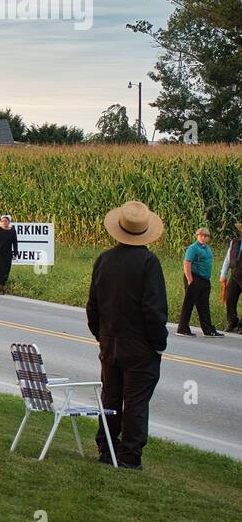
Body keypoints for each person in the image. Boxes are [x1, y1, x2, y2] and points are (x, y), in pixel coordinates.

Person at [86, 200, 169, 469]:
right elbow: (153, 309)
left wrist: (102, 335)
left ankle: (106, 449)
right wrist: (158, 344)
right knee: (135, 401)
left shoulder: (104, 260)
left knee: (111, 397)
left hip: (111, 342)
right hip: (139, 346)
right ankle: (130, 456)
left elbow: (92, 305)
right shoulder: (148, 262)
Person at [177, 227, 221, 337]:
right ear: (197, 236)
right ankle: (182, 329)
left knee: (204, 305)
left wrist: (208, 278)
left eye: (206, 236)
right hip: (194, 278)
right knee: (189, 304)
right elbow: (187, 263)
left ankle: (208, 330)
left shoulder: (207, 249)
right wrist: (190, 280)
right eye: (201, 235)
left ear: (208, 238)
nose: (203, 237)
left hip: (205, 280)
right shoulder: (193, 248)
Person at [222, 223, 242, 334]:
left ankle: (241, 327)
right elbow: (227, 259)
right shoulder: (234, 242)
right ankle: (232, 321)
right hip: (234, 275)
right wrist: (223, 274)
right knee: (229, 298)